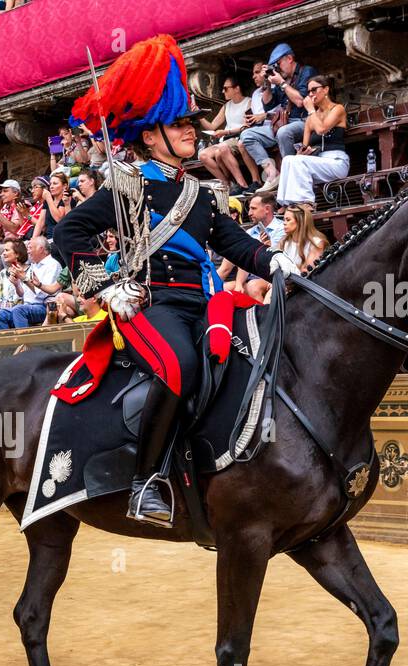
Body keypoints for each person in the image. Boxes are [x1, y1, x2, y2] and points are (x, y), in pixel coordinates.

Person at [54, 35, 293, 526]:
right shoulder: (127, 183)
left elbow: (235, 244)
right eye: (179, 123)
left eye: (190, 122)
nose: (191, 130)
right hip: (150, 303)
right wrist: (104, 285)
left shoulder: (204, 193)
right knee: (178, 365)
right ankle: (145, 482)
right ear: (149, 135)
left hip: (203, 304)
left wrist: (275, 262)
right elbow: (69, 230)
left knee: (245, 362)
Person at [240, 43, 318, 193]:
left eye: (278, 63)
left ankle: (290, 177)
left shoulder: (306, 72)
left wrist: (281, 84)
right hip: (283, 123)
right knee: (247, 135)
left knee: (283, 132)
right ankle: (272, 173)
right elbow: (268, 105)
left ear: (289, 58)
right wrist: (267, 84)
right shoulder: (281, 78)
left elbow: (300, 101)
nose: (277, 68)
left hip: (305, 121)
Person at [274, 75, 347, 207]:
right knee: (288, 159)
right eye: (309, 91)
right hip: (317, 163)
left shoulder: (338, 109)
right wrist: (302, 152)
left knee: (297, 161)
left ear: (325, 90)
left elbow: (322, 129)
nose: (311, 94)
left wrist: (311, 110)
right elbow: (304, 148)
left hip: (336, 161)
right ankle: (286, 204)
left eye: (314, 90)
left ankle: (306, 203)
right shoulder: (310, 119)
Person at [198, 73, 253, 194]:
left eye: (226, 88)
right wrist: (198, 115)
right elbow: (212, 126)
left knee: (220, 150)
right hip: (225, 140)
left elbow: (246, 126)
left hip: (238, 137)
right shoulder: (226, 105)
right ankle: (227, 184)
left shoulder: (249, 102)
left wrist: (226, 131)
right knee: (203, 155)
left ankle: (242, 184)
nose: (223, 91)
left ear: (237, 88)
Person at [0, 237, 62, 329]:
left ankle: (24, 342)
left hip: (45, 307)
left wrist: (24, 278)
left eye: (30, 248)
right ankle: (7, 343)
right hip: (28, 306)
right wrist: (17, 284)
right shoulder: (34, 266)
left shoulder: (52, 265)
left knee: (19, 310)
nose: (28, 252)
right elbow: (22, 294)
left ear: (41, 249)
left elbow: (43, 294)